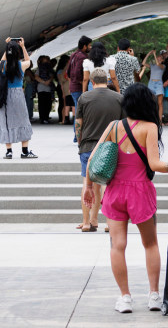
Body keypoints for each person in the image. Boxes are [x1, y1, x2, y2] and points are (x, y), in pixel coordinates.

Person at [82, 83, 168, 313]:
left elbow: (92, 159)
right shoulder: (149, 127)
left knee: (117, 246)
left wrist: (88, 187)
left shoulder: (114, 126)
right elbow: (155, 165)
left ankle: (125, 298)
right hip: (140, 193)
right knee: (150, 244)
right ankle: (154, 296)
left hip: (115, 192)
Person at [76, 68, 122, 232]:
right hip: (111, 147)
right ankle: (109, 222)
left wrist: (80, 141)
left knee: (87, 183)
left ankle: (87, 222)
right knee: (107, 184)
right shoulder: (118, 97)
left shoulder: (84, 97)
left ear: (92, 82)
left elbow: (78, 124)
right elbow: (123, 125)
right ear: (108, 80)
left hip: (88, 145)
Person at [0, 38, 36, 159]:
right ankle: (25, 151)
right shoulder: (21, 65)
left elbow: (1, 61)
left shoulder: (3, 65)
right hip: (18, 95)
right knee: (23, 120)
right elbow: (28, 61)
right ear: (18, 53)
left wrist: (7, 46)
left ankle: (9, 151)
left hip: (5, 95)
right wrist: (23, 47)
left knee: (6, 121)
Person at [67, 36, 92, 106]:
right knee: (81, 113)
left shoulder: (73, 54)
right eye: (89, 45)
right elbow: (77, 73)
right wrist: (83, 83)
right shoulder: (82, 57)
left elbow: (68, 72)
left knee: (78, 110)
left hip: (73, 87)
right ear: (85, 46)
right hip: (79, 89)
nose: (90, 47)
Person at [33, 55, 58, 124]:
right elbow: (36, 77)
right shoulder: (40, 69)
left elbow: (52, 76)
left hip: (47, 88)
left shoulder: (48, 69)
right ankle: (43, 118)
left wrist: (47, 81)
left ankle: (45, 117)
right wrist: (45, 82)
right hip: (42, 88)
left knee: (47, 103)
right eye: (46, 60)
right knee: (43, 103)